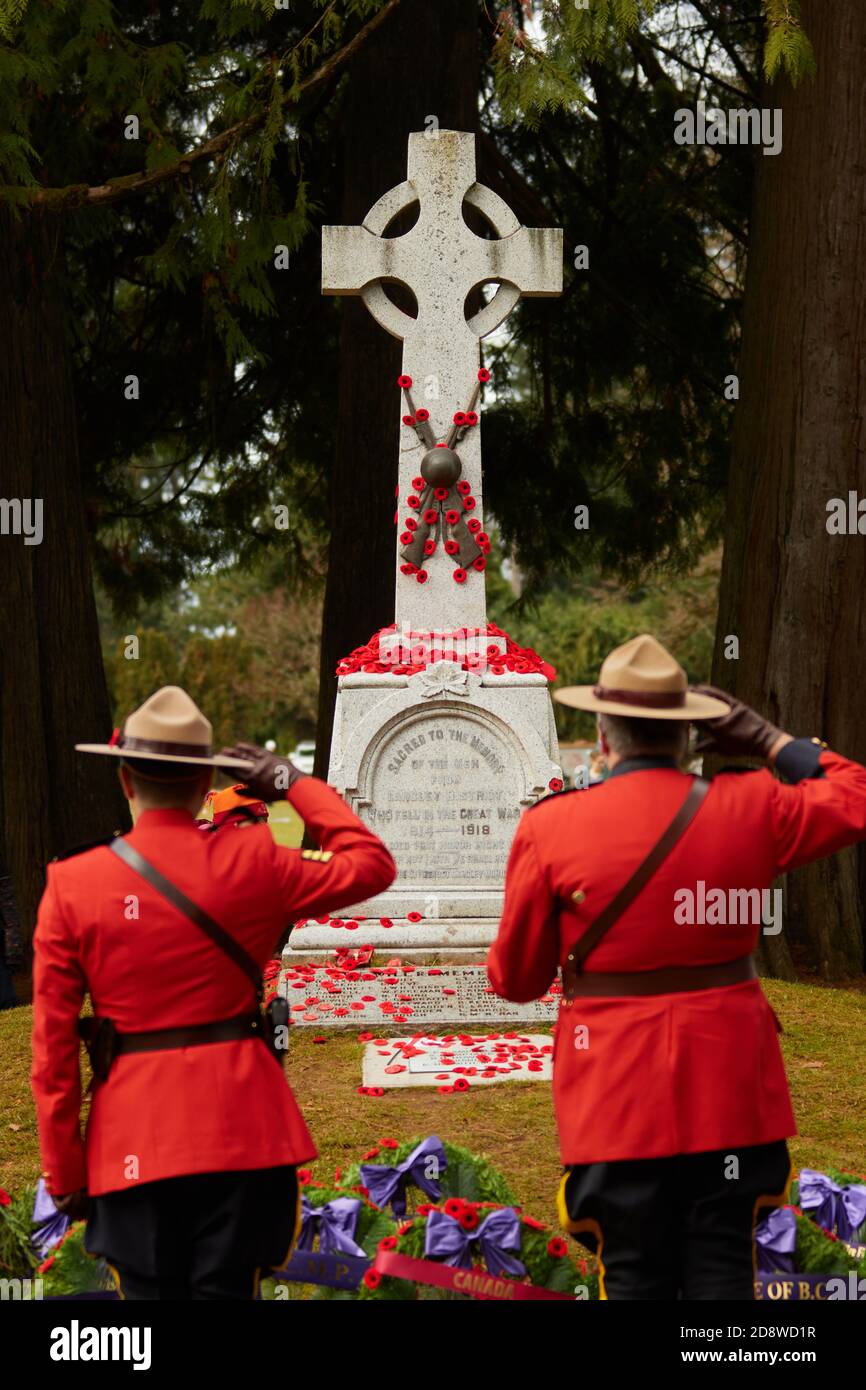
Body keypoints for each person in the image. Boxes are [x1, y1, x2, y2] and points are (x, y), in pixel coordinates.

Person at [487, 633, 866, 1301]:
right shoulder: (753, 805)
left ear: (602, 734)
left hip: (614, 1093)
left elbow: (515, 982)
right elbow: (855, 796)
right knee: (723, 1261)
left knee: (632, 1266)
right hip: (729, 1088)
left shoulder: (552, 826)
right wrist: (767, 739)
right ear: (693, 736)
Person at [31, 685, 395, 1299]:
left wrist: (65, 1172)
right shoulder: (254, 862)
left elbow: (53, 1049)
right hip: (242, 1133)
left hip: (132, 1139)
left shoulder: (74, 883)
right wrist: (292, 782)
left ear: (125, 781)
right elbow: (370, 863)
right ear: (207, 785)